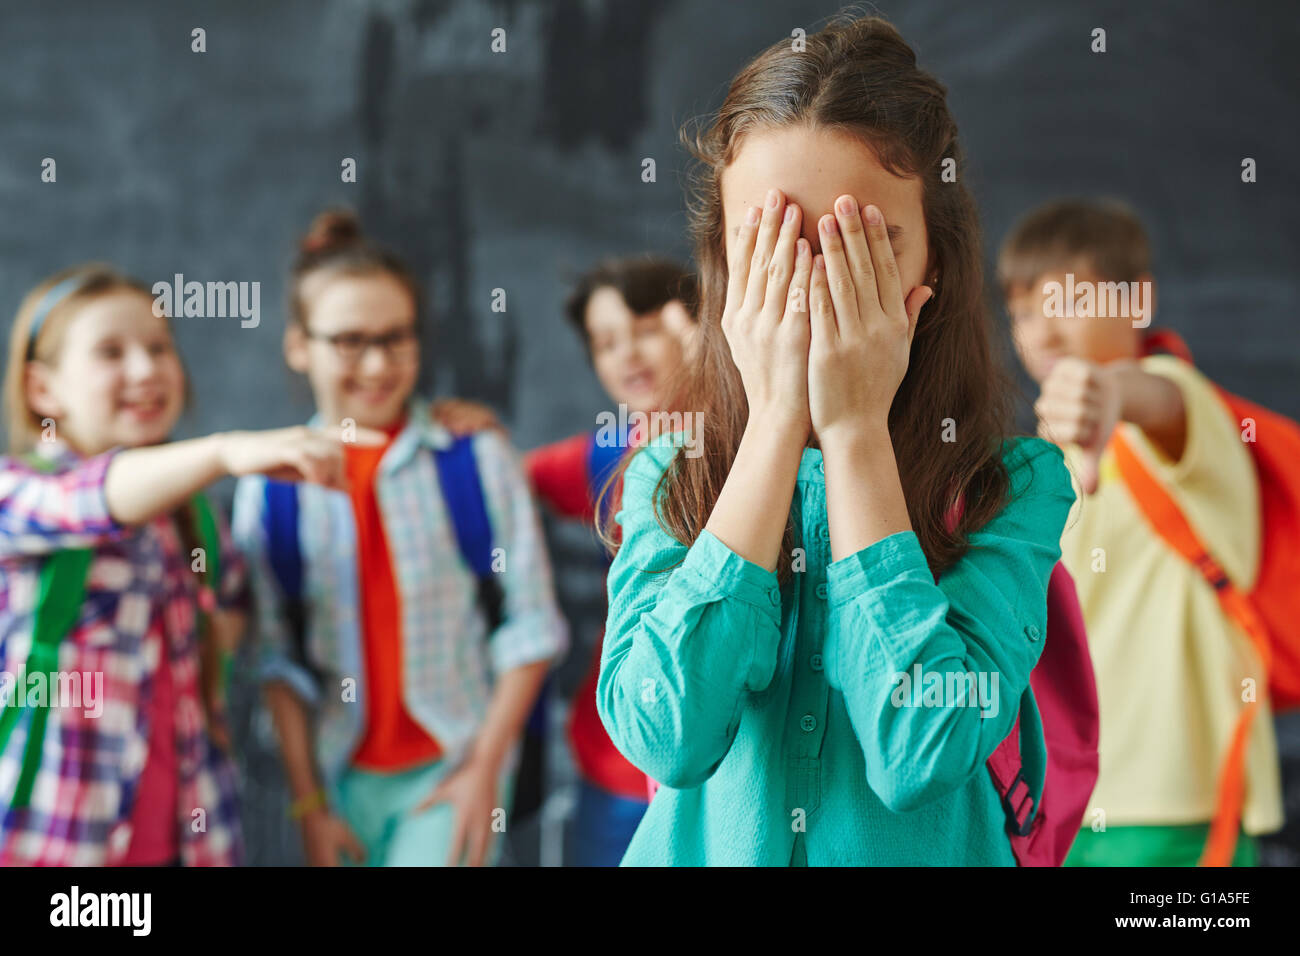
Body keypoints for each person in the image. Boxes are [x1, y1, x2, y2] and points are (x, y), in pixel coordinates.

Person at [595, 14, 1074, 866]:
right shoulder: (668, 474)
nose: (813, 286)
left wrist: (854, 433)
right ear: (723, 270)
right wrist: (777, 422)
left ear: (936, 260)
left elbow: (921, 752)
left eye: (861, 246)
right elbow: (664, 736)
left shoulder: (1016, 484)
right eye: (772, 245)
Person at [232, 210, 567, 867]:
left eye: (398, 338)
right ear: (300, 346)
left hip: (452, 765)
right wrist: (310, 806)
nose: (380, 364)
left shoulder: (472, 457)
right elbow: (277, 661)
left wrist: (485, 771)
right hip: (337, 777)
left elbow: (531, 627)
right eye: (350, 341)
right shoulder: (272, 488)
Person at [999, 198, 1284, 865]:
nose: (1038, 331)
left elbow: (1150, 395)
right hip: (1063, 797)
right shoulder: (1047, 454)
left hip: (1175, 800)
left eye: (1064, 299)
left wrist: (1110, 393)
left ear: (1137, 302)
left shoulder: (1186, 408)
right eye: (1020, 311)